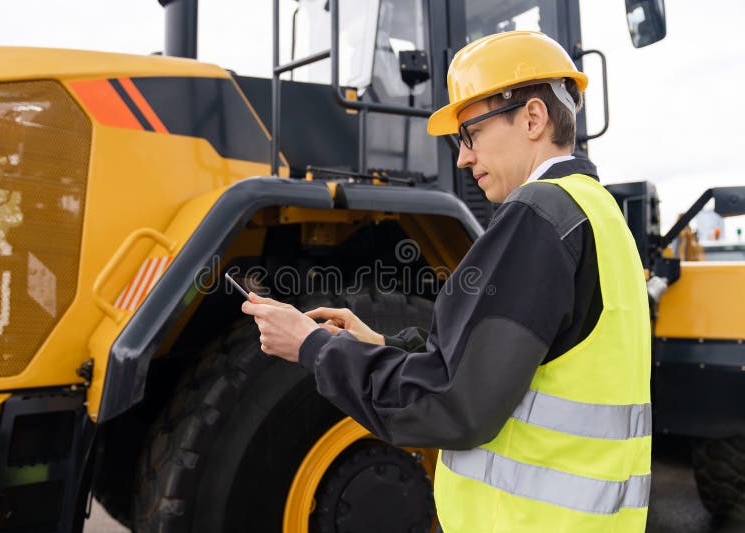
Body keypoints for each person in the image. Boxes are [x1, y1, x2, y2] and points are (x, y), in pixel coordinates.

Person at [242, 30, 651, 532]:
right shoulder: (599, 214)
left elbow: (454, 406)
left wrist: (314, 348)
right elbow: (518, 365)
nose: (462, 157)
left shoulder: (537, 214)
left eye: (470, 134)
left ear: (532, 118)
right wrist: (381, 344)